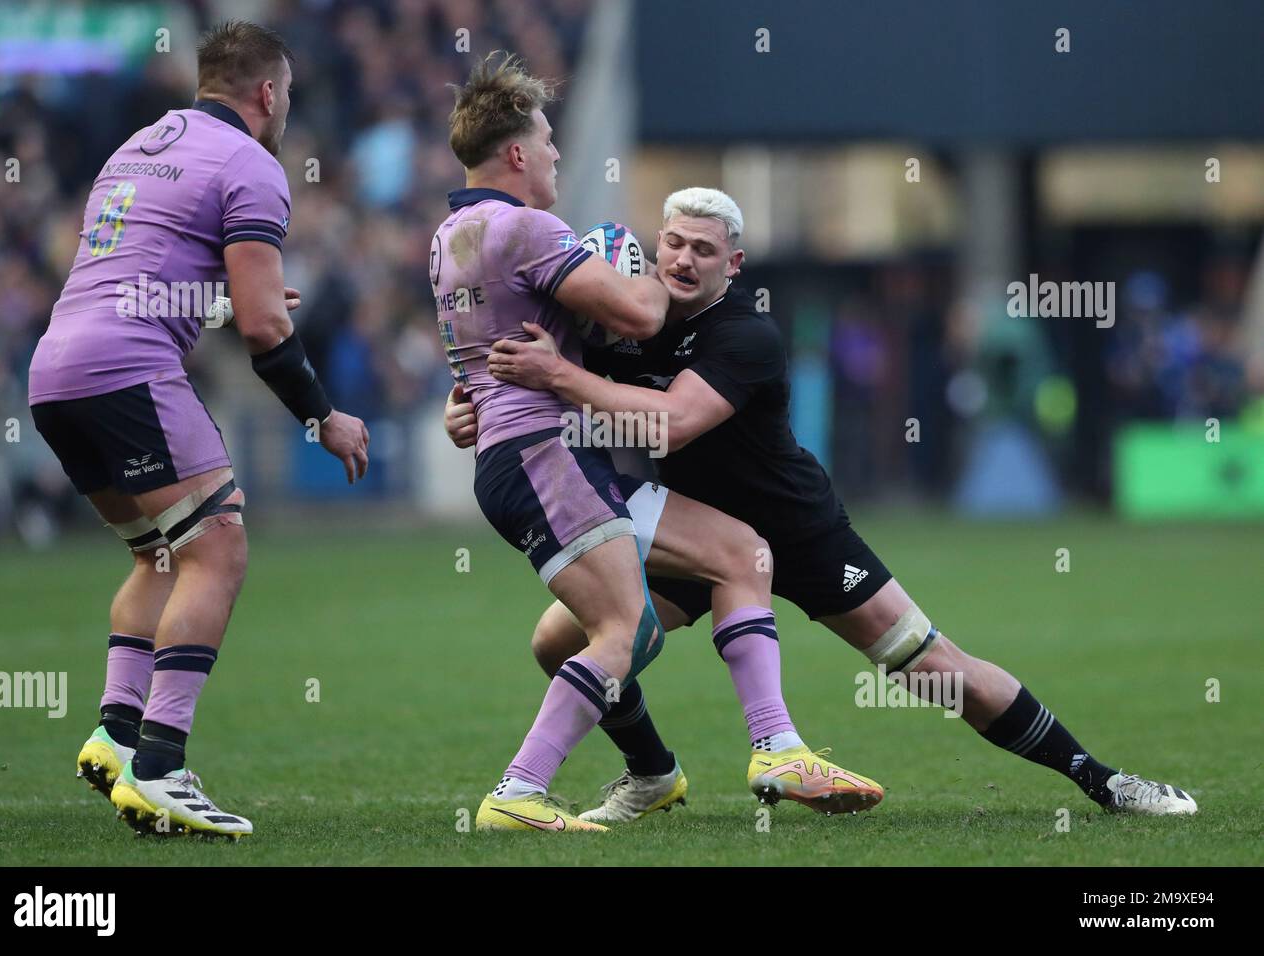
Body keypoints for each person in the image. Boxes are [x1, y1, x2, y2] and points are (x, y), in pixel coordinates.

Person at [455, 186, 1198, 822]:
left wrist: (561, 377)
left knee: (936, 670)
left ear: (733, 264)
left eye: (703, 251)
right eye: (673, 244)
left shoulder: (745, 335)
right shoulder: (622, 327)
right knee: (558, 643)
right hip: (692, 533)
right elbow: (529, 386)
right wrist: (474, 413)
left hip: (797, 530)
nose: (683, 260)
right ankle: (654, 773)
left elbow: (671, 420)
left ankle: (1104, 781)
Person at [436, 56, 881, 833]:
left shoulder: (449, 235)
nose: (554, 156)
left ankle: (689, 765)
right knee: (627, 629)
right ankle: (519, 791)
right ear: (515, 153)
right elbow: (641, 317)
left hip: (524, 455)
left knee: (739, 552)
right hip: (549, 458)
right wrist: (630, 261)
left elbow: (486, 358)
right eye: (545, 141)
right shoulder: (528, 225)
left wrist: (467, 408)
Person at [28, 21, 370, 839]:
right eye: (285, 95)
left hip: (54, 371)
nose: (285, 108)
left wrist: (217, 301)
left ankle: (116, 735)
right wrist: (324, 416)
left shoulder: (137, 147)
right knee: (217, 543)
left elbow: (141, 278)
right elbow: (262, 328)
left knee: (159, 551)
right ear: (266, 93)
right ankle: (161, 768)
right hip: (126, 368)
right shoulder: (252, 163)